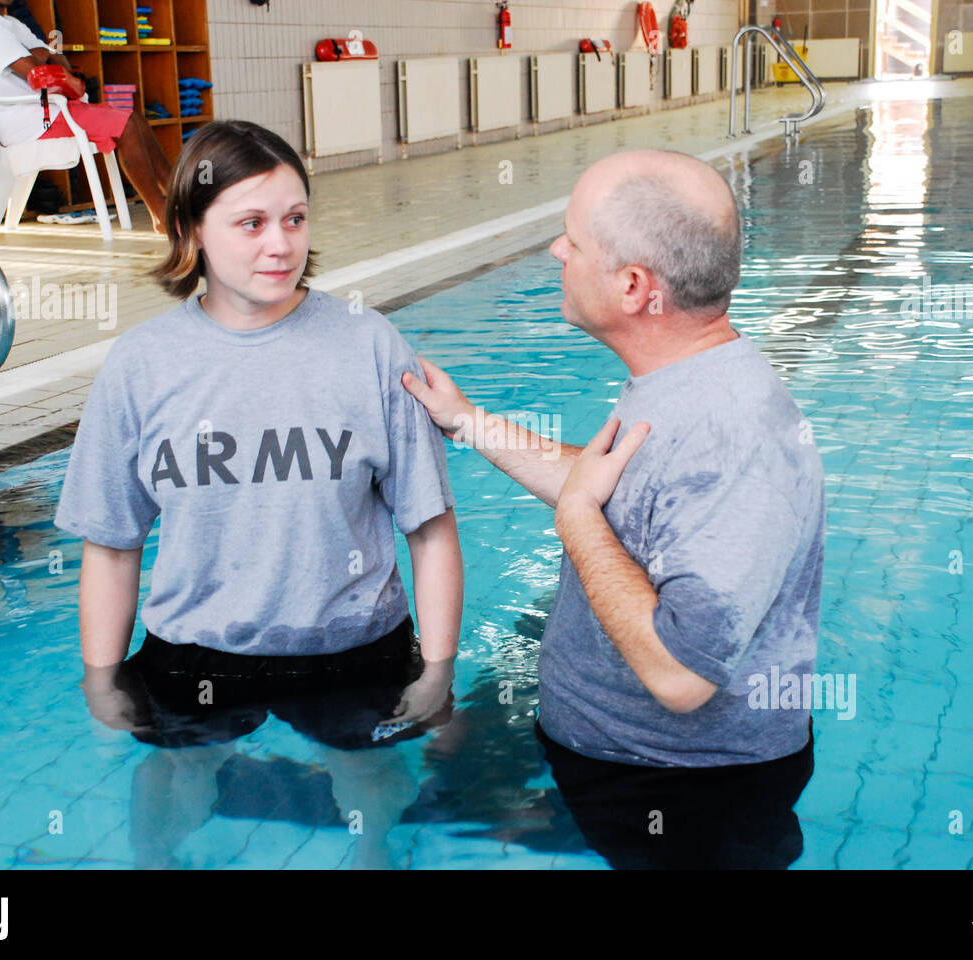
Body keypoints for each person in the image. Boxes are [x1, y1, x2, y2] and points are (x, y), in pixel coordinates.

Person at [402, 149, 825, 868]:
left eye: (574, 240)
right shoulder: (685, 380)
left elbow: (681, 675)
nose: (556, 250)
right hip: (628, 769)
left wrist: (577, 525)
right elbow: (623, 489)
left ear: (634, 286)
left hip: (686, 799)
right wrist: (467, 422)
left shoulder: (734, 437)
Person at [54, 121, 462, 865]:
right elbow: (112, 541)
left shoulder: (369, 345)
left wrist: (438, 668)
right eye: (251, 223)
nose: (281, 244)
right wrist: (100, 677)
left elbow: (429, 526)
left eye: (295, 219)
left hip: (353, 643)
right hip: (197, 647)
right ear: (191, 231)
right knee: (177, 768)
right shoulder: (142, 366)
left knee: (369, 780)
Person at [0, 0, 172, 232]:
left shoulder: (10, 22)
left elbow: (59, 60)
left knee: (137, 120)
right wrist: (38, 57)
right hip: (30, 119)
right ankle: (162, 217)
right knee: (128, 125)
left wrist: (37, 55)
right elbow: (36, 72)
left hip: (48, 109)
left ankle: (179, 199)